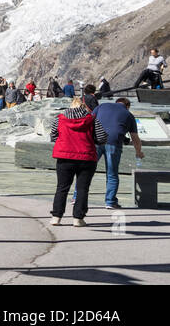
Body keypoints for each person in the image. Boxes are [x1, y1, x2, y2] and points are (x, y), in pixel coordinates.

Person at [49, 93, 107, 226]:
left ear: (71, 106)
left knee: (62, 187)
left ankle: (56, 217)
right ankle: (78, 219)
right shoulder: (92, 119)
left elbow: (53, 135)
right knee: (82, 189)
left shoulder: (60, 119)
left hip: (64, 157)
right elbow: (102, 137)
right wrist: (93, 141)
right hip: (86, 157)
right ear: (83, 107)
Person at [94, 96, 144, 209]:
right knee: (112, 173)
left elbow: (88, 120)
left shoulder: (102, 106)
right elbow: (135, 138)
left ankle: (76, 197)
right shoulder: (128, 115)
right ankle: (110, 202)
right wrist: (138, 152)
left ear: (116, 102)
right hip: (113, 143)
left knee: (85, 171)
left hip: (96, 141)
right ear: (127, 106)